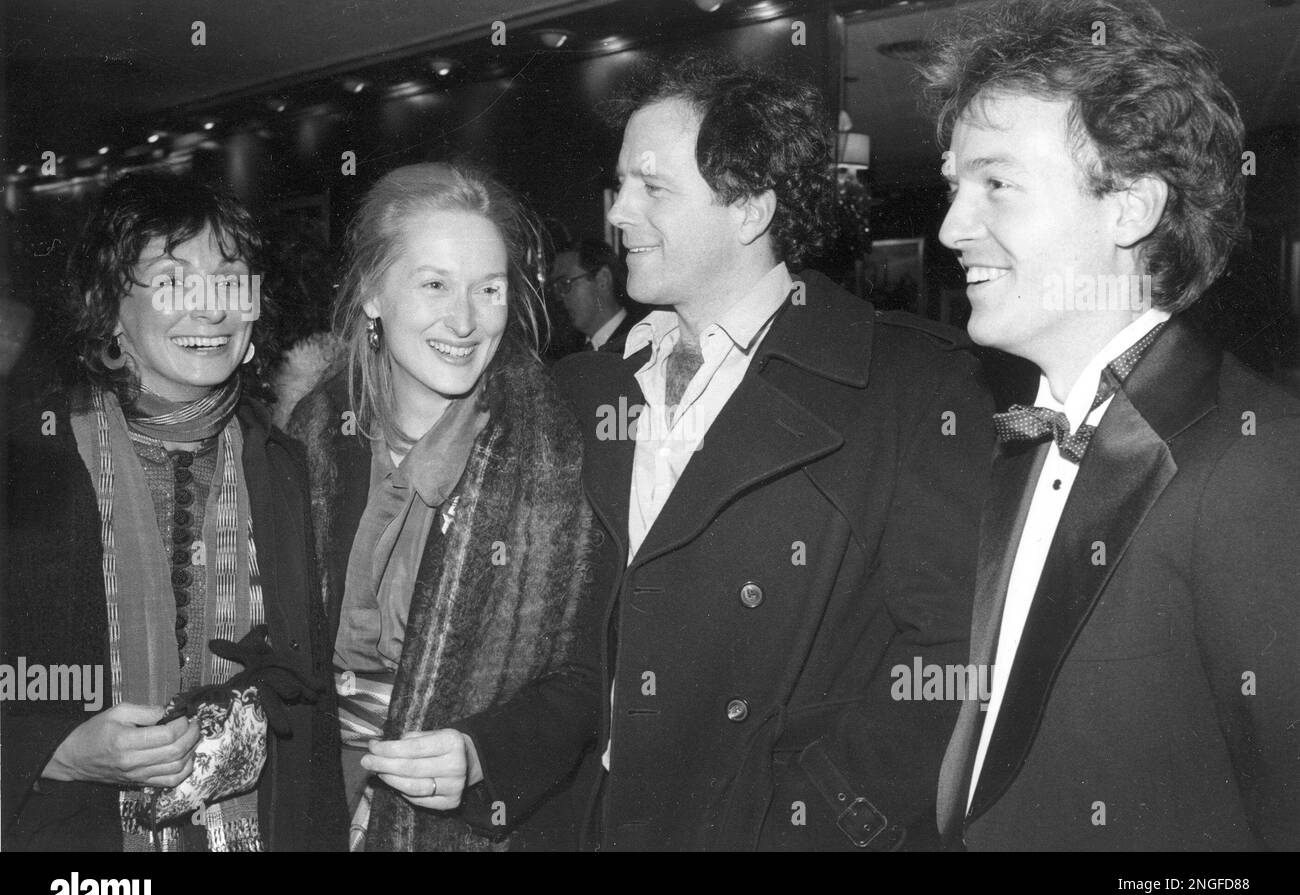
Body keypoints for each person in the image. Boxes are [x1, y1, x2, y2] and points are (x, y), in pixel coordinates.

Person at [421, 55, 995, 851]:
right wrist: (494, 750)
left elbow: (950, 662)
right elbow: (591, 649)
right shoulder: (587, 392)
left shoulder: (908, 388)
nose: (618, 213)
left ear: (751, 207)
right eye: (619, 184)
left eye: (653, 188)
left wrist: (817, 821)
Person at [925, 0, 1300, 850]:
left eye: (997, 184)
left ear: (1129, 208)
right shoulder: (1023, 433)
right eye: (955, 187)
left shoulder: (1263, 464)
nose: (952, 227)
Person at [2, 171, 347, 851]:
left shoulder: (284, 466)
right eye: (171, 277)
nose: (211, 307)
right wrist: (58, 749)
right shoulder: (28, 462)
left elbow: (313, 713)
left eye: (230, 277)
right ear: (108, 311)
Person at [288, 162, 595, 852]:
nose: (464, 320)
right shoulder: (308, 439)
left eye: (488, 290)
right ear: (372, 294)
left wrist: (484, 751)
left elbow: (591, 671)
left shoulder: (560, 451)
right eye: (433, 285)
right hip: (310, 812)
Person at [550, 238, 637, 354]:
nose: (559, 297)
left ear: (603, 279)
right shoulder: (570, 351)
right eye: (555, 288)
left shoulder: (638, 346)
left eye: (565, 283)